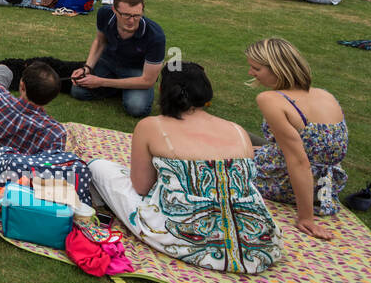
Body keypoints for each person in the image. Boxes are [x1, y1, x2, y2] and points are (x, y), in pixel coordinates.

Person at [88, 62, 281, 272]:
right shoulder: (237, 130)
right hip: (259, 245)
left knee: (99, 167)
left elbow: (141, 187)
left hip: (189, 241)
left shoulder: (152, 126)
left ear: (163, 90)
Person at [245, 38, 347, 239]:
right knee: (245, 141)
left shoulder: (271, 99)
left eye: (256, 68)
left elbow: (299, 161)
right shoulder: (325, 95)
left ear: (277, 69)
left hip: (285, 183)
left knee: (228, 142)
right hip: (326, 185)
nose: (251, 73)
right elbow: (320, 151)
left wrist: (306, 218)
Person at [70, 0, 164, 117]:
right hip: (109, 61)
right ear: (114, 10)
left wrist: (101, 82)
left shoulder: (155, 36)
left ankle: (119, 87)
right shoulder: (104, 13)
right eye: (126, 15)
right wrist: (87, 67)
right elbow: (100, 41)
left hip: (137, 71)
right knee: (78, 91)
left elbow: (148, 81)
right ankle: (121, 87)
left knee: (136, 108)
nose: (131, 21)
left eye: (137, 15)